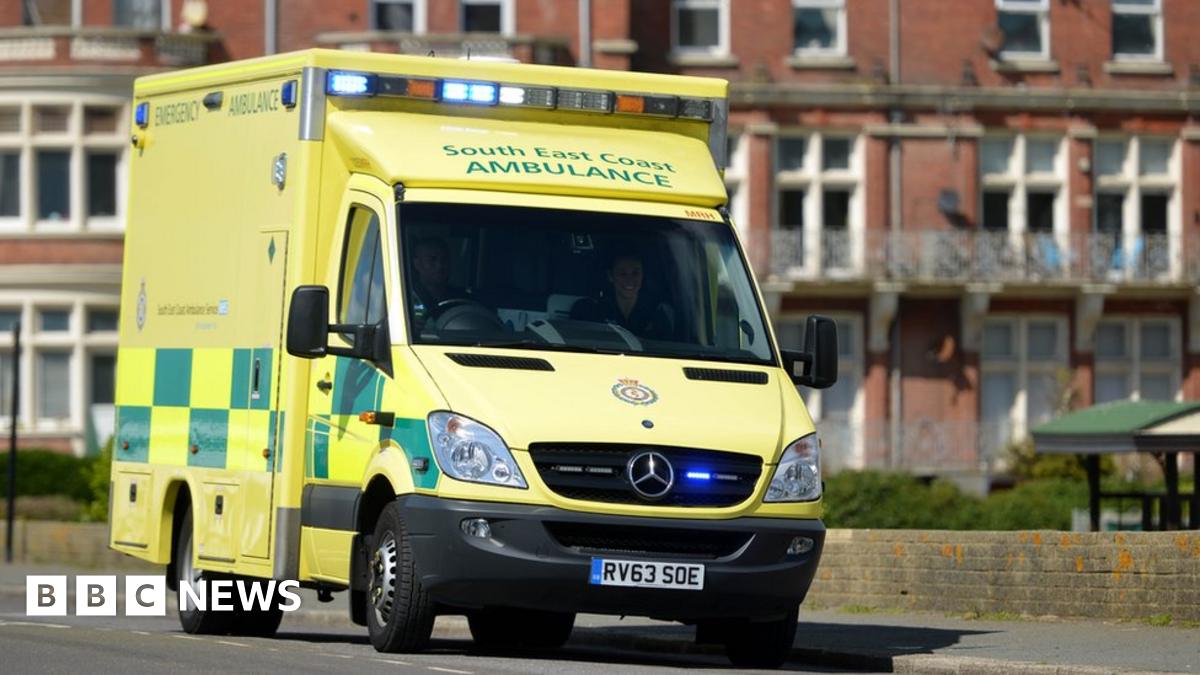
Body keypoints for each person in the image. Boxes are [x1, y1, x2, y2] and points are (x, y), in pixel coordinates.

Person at [572, 250, 674, 340]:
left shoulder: (658, 311)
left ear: (643, 275)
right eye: (622, 274)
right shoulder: (592, 310)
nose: (629, 280)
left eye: (635, 273)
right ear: (610, 276)